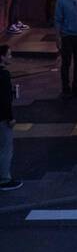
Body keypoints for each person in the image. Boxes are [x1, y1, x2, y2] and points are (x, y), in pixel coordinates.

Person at [0, 44, 21, 191]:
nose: (10, 57)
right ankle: (4, 179)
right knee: (6, 148)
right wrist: (10, 117)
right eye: (9, 54)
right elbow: (5, 100)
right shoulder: (4, 75)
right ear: (1, 57)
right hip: (2, 117)